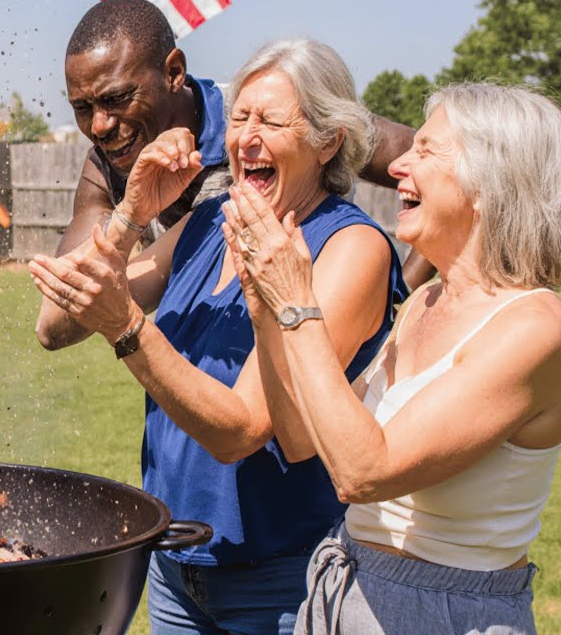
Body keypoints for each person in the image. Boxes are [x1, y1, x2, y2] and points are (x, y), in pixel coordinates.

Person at [30, 39, 408, 634]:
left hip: (280, 583)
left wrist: (127, 328)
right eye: (239, 118)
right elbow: (55, 325)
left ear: (328, 141)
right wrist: (130, 214)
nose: (245, 138)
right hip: (174, 570)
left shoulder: (349, 248)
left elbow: (242, 430)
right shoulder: (210, 220)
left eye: (271, 120)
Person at [226, 82, 561, 635]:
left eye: (426, 151)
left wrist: (297, 305)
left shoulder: (536, 327)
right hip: (350, 589)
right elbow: (303, 440)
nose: (399, 163)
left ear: (490, 181)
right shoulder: (424, 301)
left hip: (447, 614)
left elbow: (363, 473)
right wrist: (267, 311)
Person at [36, 0, 429, 353]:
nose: (100, 126)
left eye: (116, 98)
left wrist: (404, 291)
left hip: (306, 354)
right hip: (203, 358)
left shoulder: (261, 114)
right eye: (82, 107)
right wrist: (129, 215)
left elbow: (443, 170)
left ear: (174, 71)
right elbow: (58, 324)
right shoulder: (108, 167)